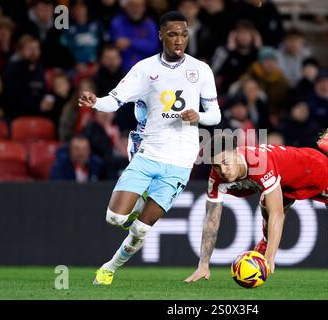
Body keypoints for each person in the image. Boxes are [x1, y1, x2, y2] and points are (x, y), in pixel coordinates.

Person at [78, 11, 221, 285]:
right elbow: (113, 101)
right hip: (149, 154)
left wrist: (199, 116)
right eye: (172, 34)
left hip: (180, 161)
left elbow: (215, 115)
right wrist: (95, 101)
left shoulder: (201, 70)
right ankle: (138, 202)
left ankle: (109, 268)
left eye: (183, 34)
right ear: (160, 36)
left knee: (141, 230)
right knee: (113, 218)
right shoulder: (144, 70)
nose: (179, 40)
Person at [184, 129, 328, 281]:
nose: (222, 171)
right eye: (216, 166)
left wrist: (269, 259)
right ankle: (265, 242)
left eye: (225, 163)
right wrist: (203, 264)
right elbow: (211, 221)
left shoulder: (259, 164)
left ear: (236, 152)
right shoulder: (216, 178)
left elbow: (277, 214)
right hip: (285, 182)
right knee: (267, 200)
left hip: (314, 171)